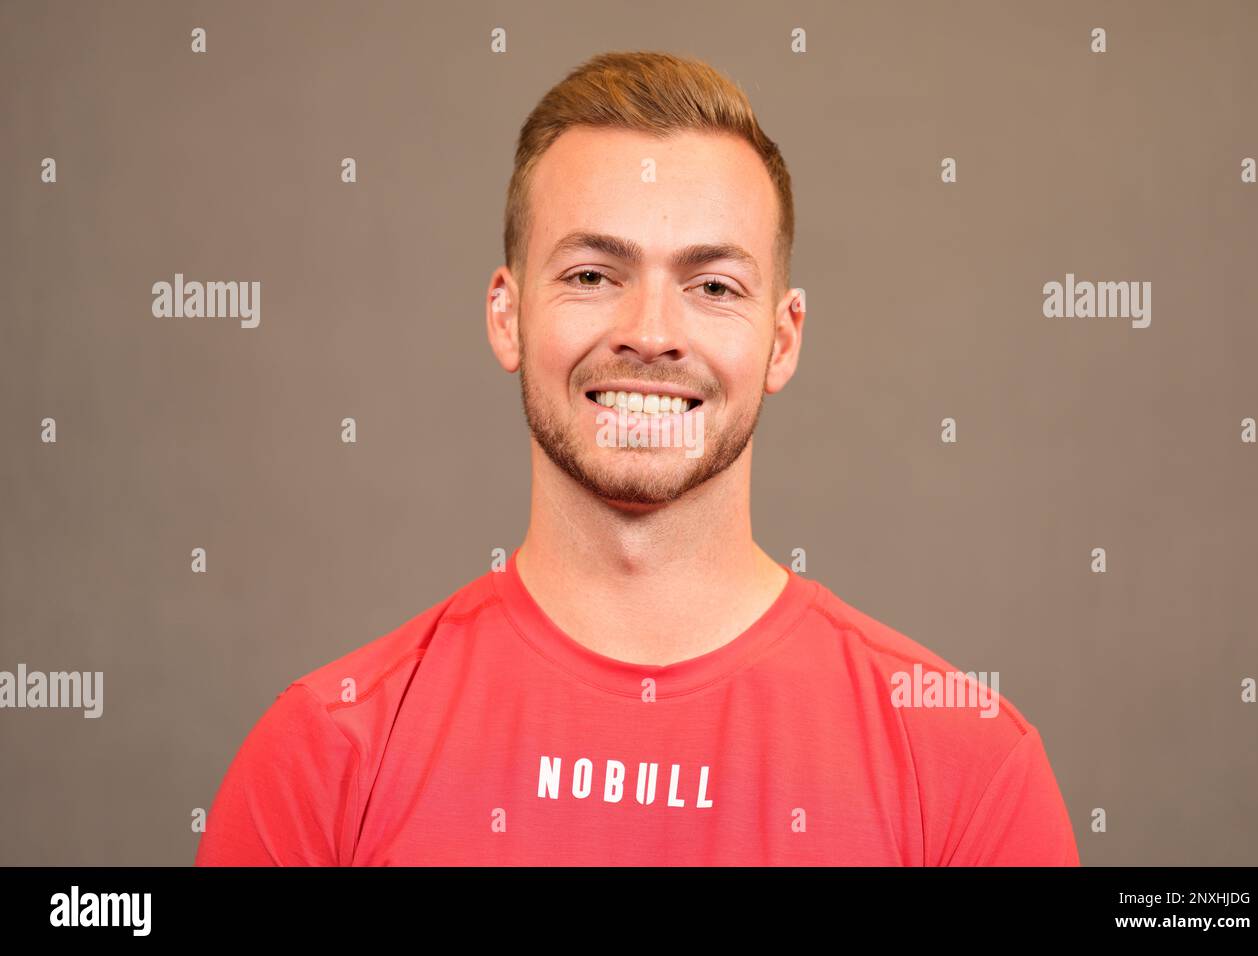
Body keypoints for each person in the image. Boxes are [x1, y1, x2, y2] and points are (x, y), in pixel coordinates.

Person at [195, 50, 1079, 866]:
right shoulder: (324, 755)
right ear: (507, 315)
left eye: (713, 287)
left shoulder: (966, 767)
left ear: (783, 338)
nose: (650, 334)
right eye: (591, 275)